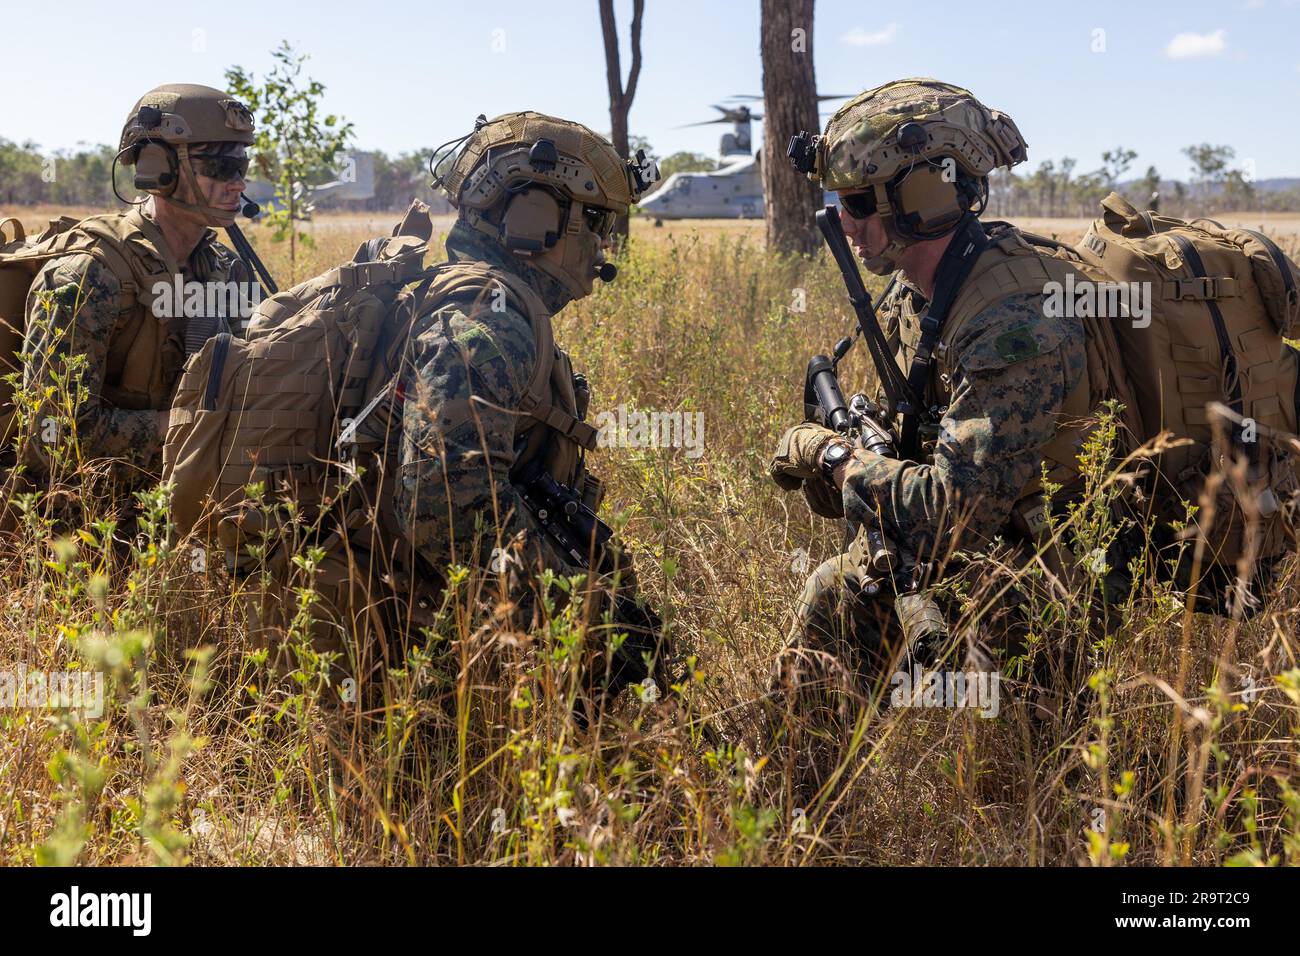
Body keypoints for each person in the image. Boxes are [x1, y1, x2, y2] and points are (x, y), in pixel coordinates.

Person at [768, 79, 1131, 731]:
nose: (844, 222)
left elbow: (953, 514)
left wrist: (834, 459)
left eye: (856, 202)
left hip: (1064, 566)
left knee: (834, 593)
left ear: (920, 200)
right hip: (1008, 537)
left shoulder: (1012, 323)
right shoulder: (927, 292)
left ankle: (787, 808)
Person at [18, 83, 254, 496]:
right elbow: (51, 437)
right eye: (219, 167)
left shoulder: (225, 270)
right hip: (88, 519)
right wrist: (182, 424)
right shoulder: (88, 275)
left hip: (187, 497)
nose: (237, 185)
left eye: (241, 166)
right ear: (158, 167)